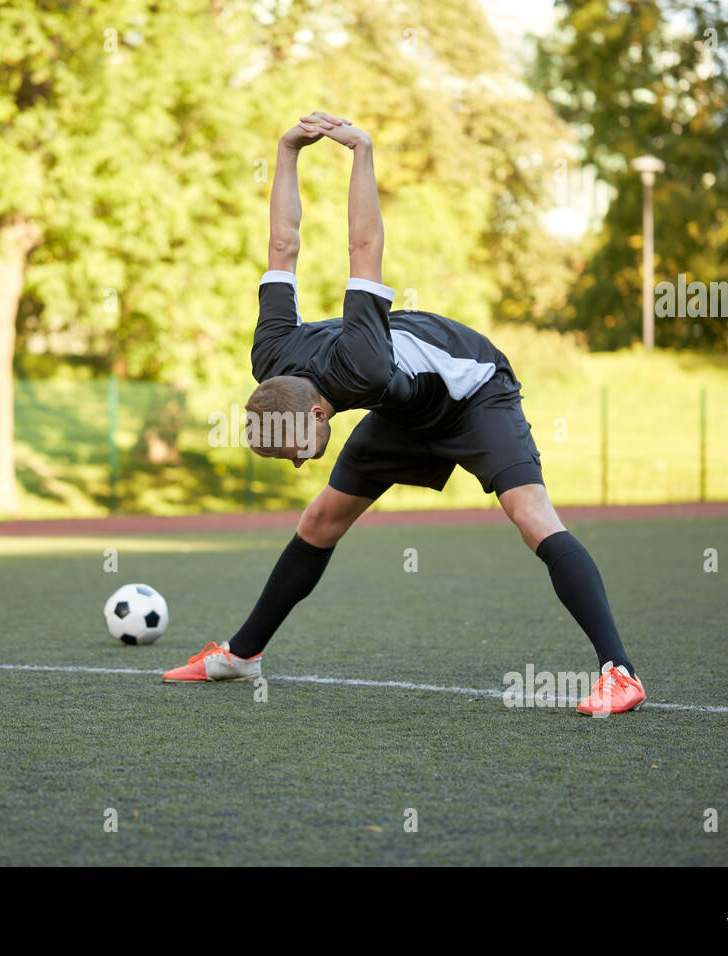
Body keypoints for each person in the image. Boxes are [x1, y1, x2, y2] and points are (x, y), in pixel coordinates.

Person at [162, 111, 645, 716]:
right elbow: (282, 243)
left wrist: (361, 150)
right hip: (402, 407)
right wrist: (286, 151)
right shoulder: (271, 356)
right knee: (318, 522)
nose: (294, 463)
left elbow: (363, 246)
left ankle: (620, 671)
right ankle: (243, 654)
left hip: (472, 392)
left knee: (532, 517)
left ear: (316, 412)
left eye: (294, 449)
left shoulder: (360, 364)